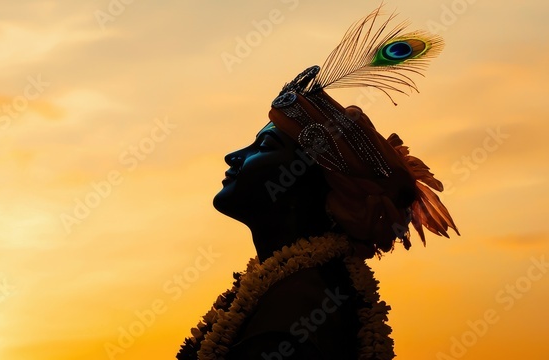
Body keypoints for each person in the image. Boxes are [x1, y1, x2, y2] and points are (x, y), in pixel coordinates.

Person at [176, 6, 459, 360]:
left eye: (265, 146)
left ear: (314, 183)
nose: (234, 156)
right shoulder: (302, 287)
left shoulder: (297, 307)